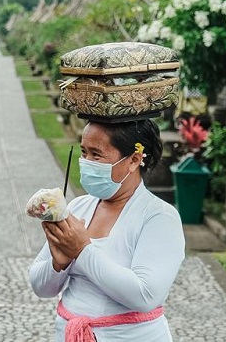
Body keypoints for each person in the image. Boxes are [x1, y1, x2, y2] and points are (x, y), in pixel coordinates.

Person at [29, 119, 185, 342]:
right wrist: (58, 264)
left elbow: (145, 295)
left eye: (96, 154)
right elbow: (40, 287)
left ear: (133, 160)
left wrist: (82, 251)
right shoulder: (77, 207)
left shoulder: (158, 217)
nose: (86, 162)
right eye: (84, 152)